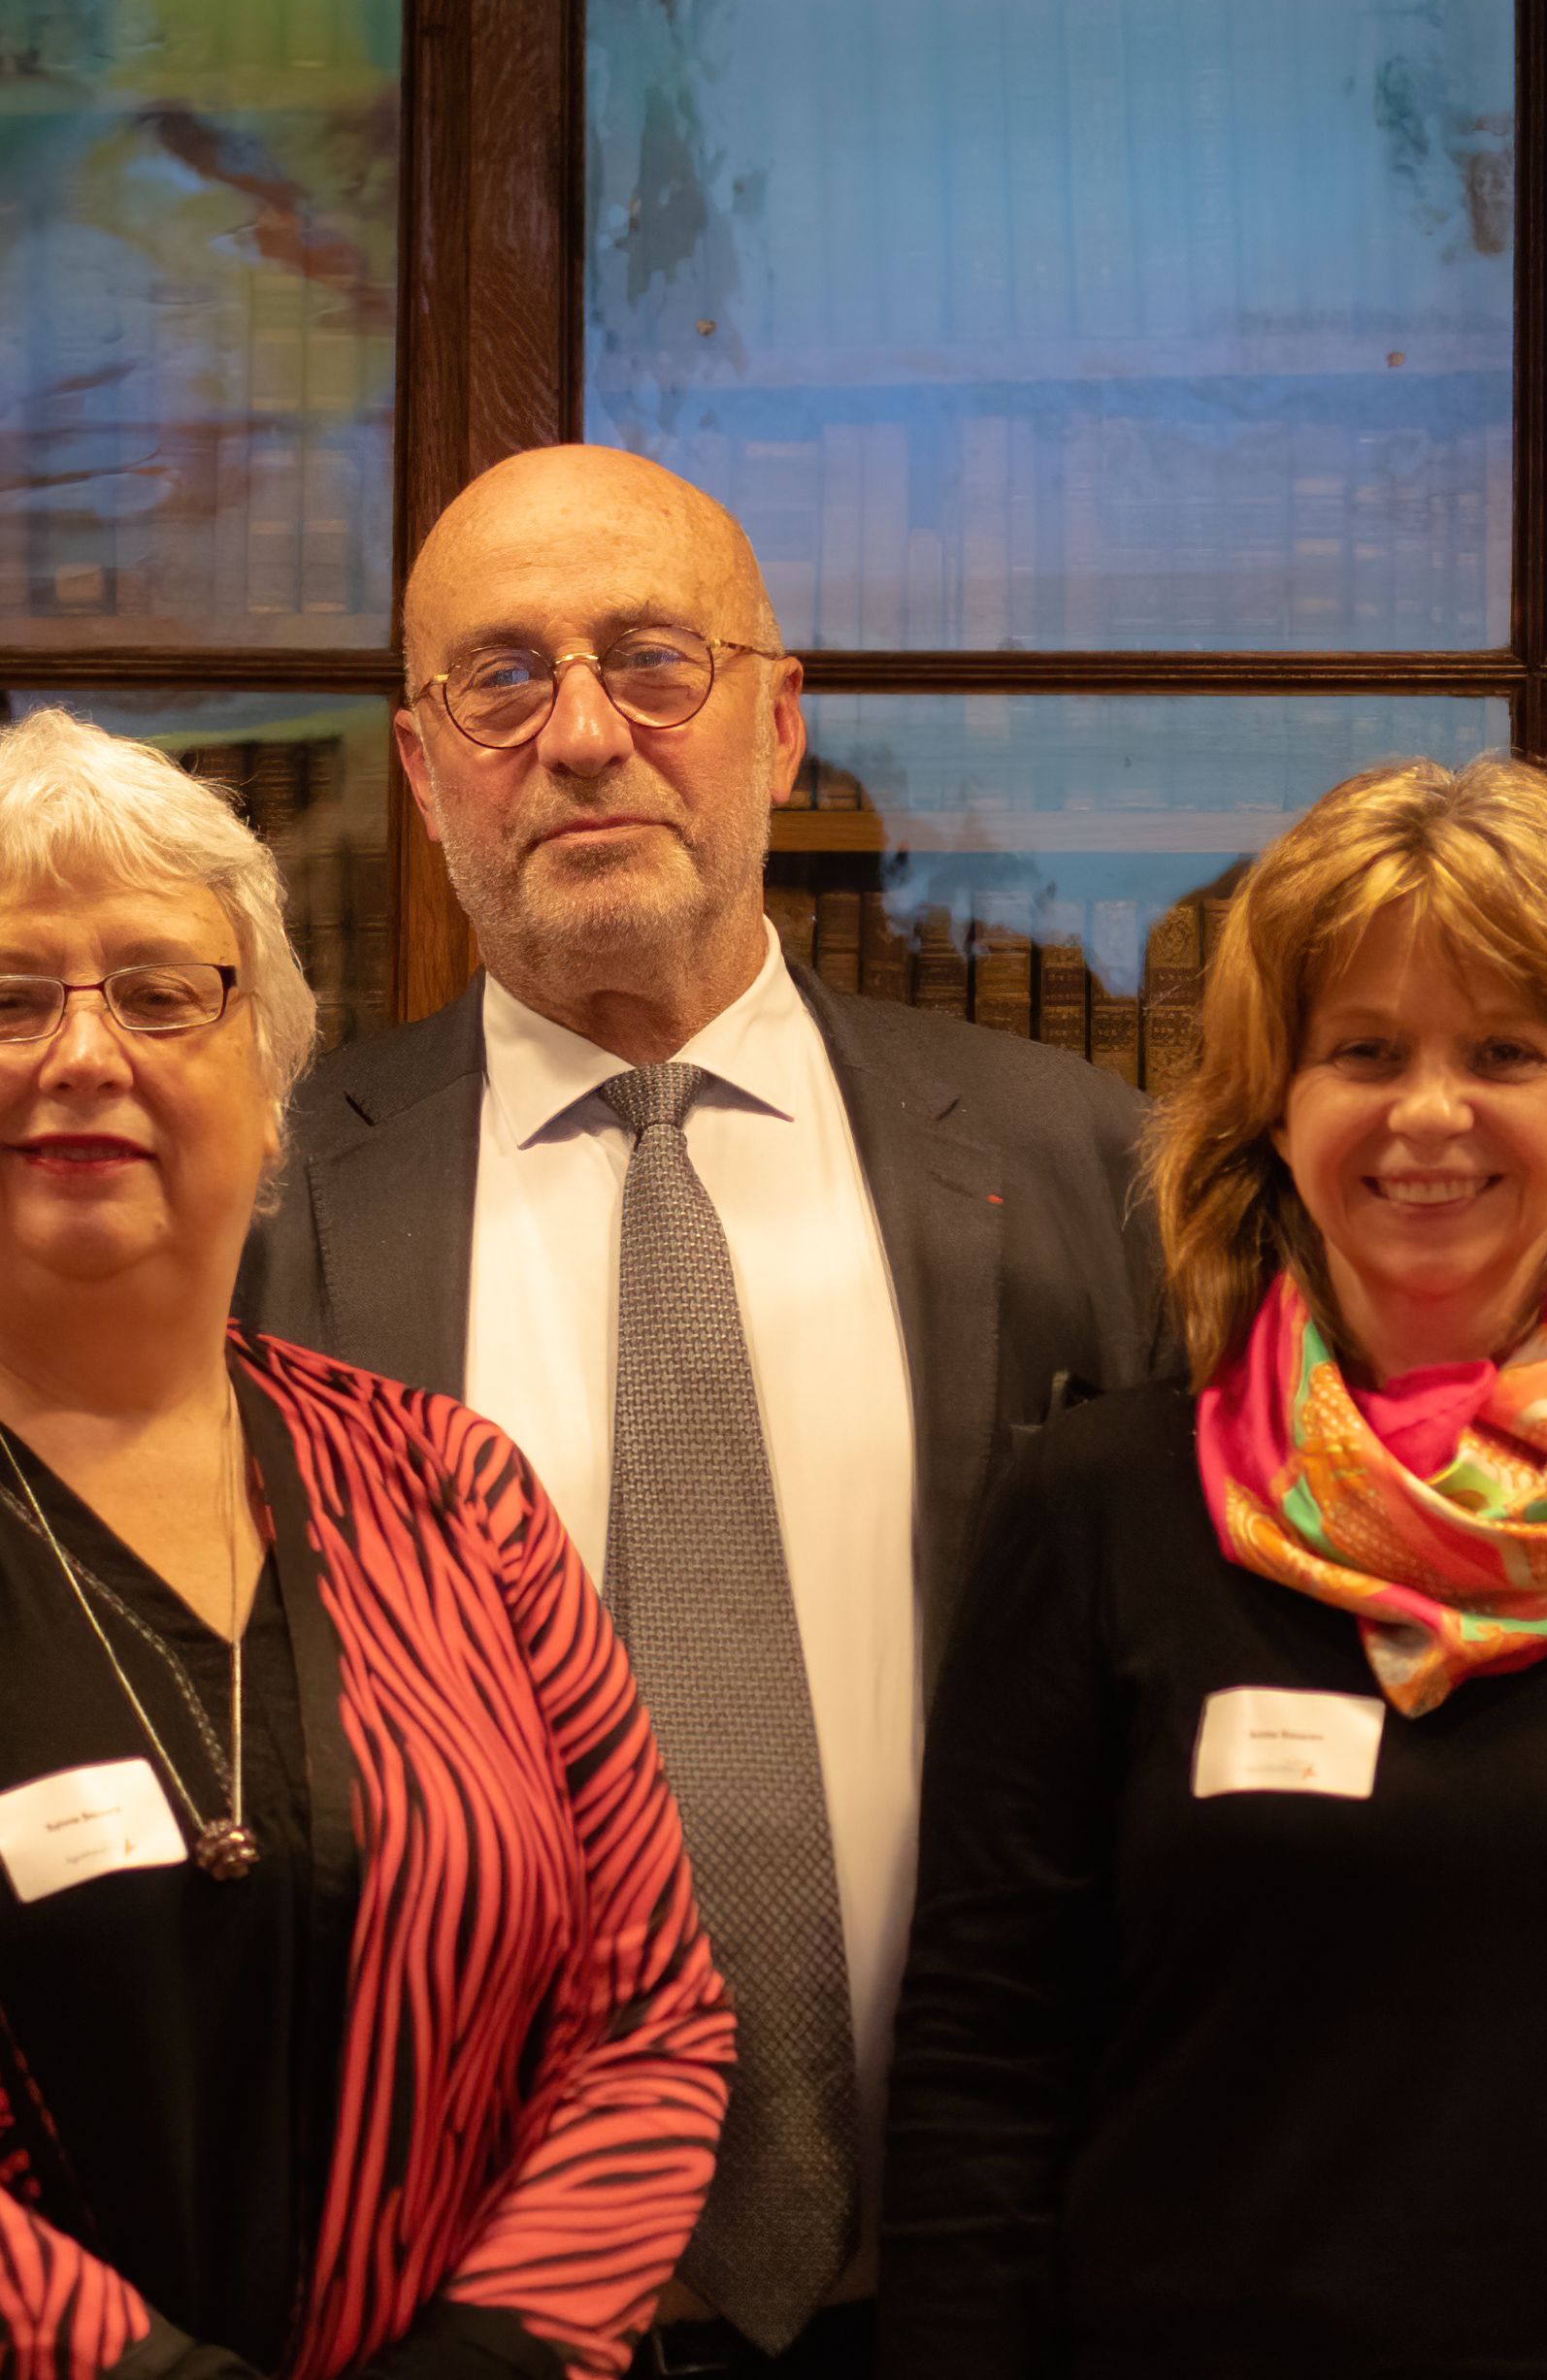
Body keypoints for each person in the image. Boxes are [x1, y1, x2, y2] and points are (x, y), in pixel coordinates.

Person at [0, 709, 736, 2380]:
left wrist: (499, 2354)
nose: (85, 1053)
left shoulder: (457, 1494)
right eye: (4, 999)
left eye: (165, 994)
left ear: (268, 1090)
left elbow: (647, 2018)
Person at [880, 753, 1547, 2377]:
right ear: (1275, 1102)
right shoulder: (1096, 1509)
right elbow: (983, 2060)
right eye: (1363, 1052)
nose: (1428, 1114)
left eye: (1505, 1052)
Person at [250, 443, 1166, 2374]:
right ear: (419, 767)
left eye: (653, 660)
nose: (583, 737)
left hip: (986, 2291)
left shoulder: (1079, 1166)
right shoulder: (270, 1211)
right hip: (462, 2307)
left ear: (779, 722)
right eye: (500, 681)